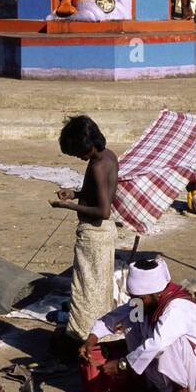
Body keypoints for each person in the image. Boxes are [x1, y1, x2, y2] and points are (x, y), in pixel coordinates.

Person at [82, 258, 196, 392]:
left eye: (141, 298)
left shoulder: (178, 307)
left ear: (157, 293)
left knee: (163, 340)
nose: (136, 302)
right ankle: (158, 389)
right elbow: (115, 316)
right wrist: (92, 338)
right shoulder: (144, 303)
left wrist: (122, 364)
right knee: (133, 320)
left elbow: (158, 344)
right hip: (167, 379)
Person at [49, 115, 119, 344]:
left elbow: (103, 210)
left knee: (87, 293)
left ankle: (84, 339)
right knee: (98, 291)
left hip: (94, 235)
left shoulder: (98, 166)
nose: (79, 157)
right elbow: (99, 192)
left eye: (79, 152)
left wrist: (68, 206)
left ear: (88, 146)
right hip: (105, 234)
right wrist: (76, 193)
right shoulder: (108, 157)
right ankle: (98, 336)